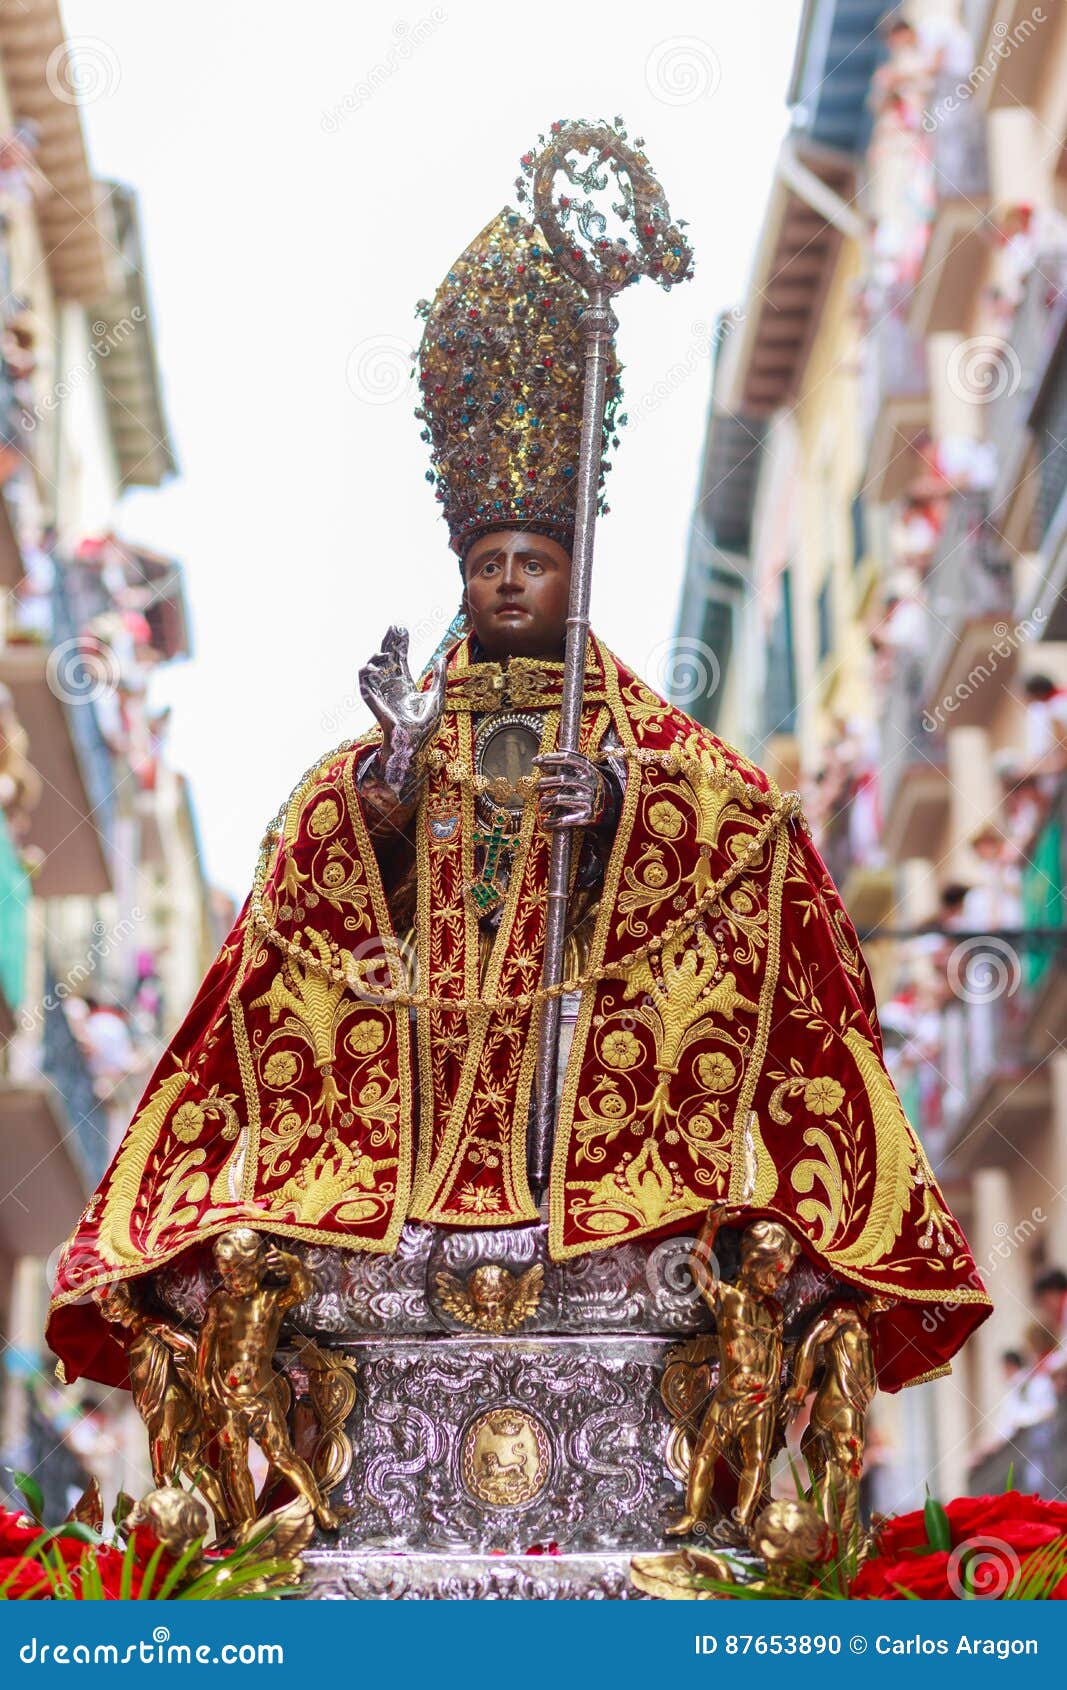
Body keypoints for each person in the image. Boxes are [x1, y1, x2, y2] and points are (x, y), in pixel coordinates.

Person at [48, 203, 988, 1417]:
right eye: (485, 559)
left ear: (569, 574)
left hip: (573, 1084)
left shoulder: (640, 739)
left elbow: (749, 830)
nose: (504, 579)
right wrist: (383, 786)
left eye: (530, 560)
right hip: (421, 1078)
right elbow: (308, 883)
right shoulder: (407, 735)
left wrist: (619, 804)